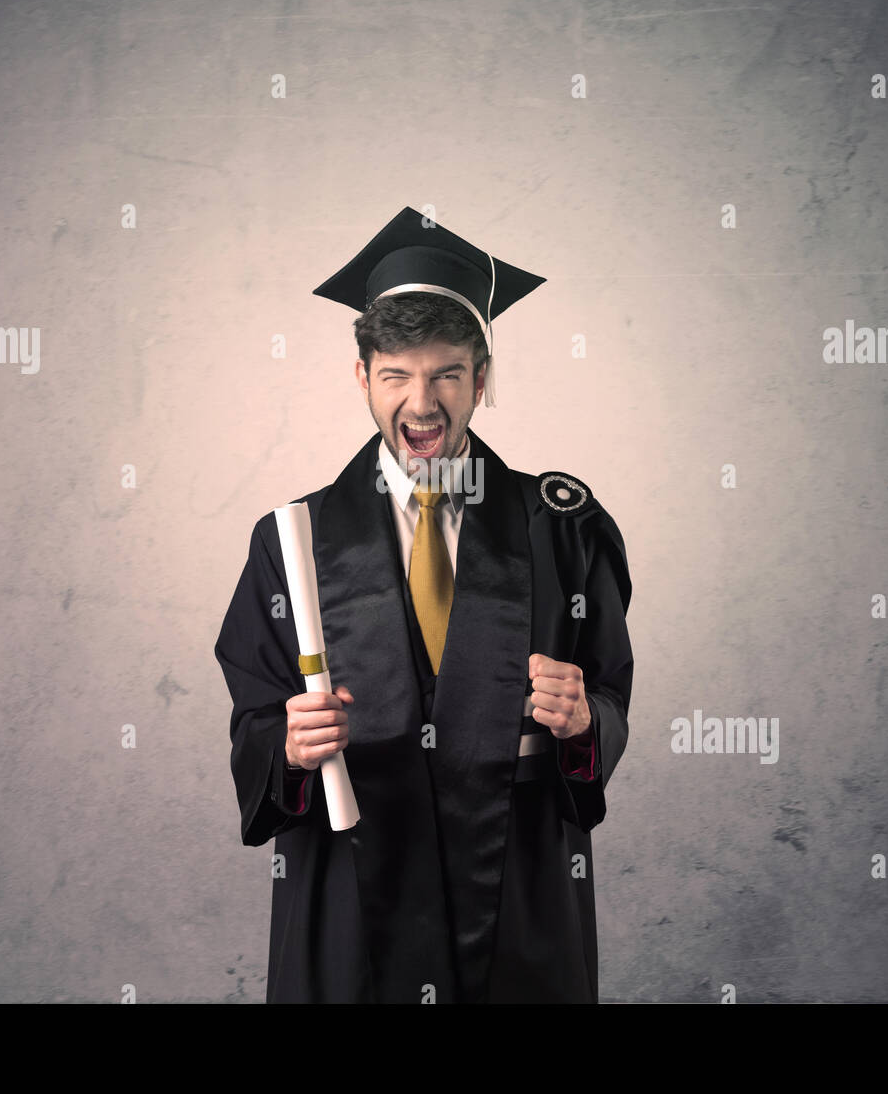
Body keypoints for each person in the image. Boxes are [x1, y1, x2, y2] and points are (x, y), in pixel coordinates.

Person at [215, 206, 633, 1003]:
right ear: (362, 376)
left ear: (483, 378)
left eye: (446, 373)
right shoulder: (294, 539)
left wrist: (584, 723)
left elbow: (610, 694)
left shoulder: (564, 529)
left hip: (513, 885)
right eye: (395, 374)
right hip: (354, 885)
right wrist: (291, 748)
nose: (421, 402)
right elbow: (256, 724)